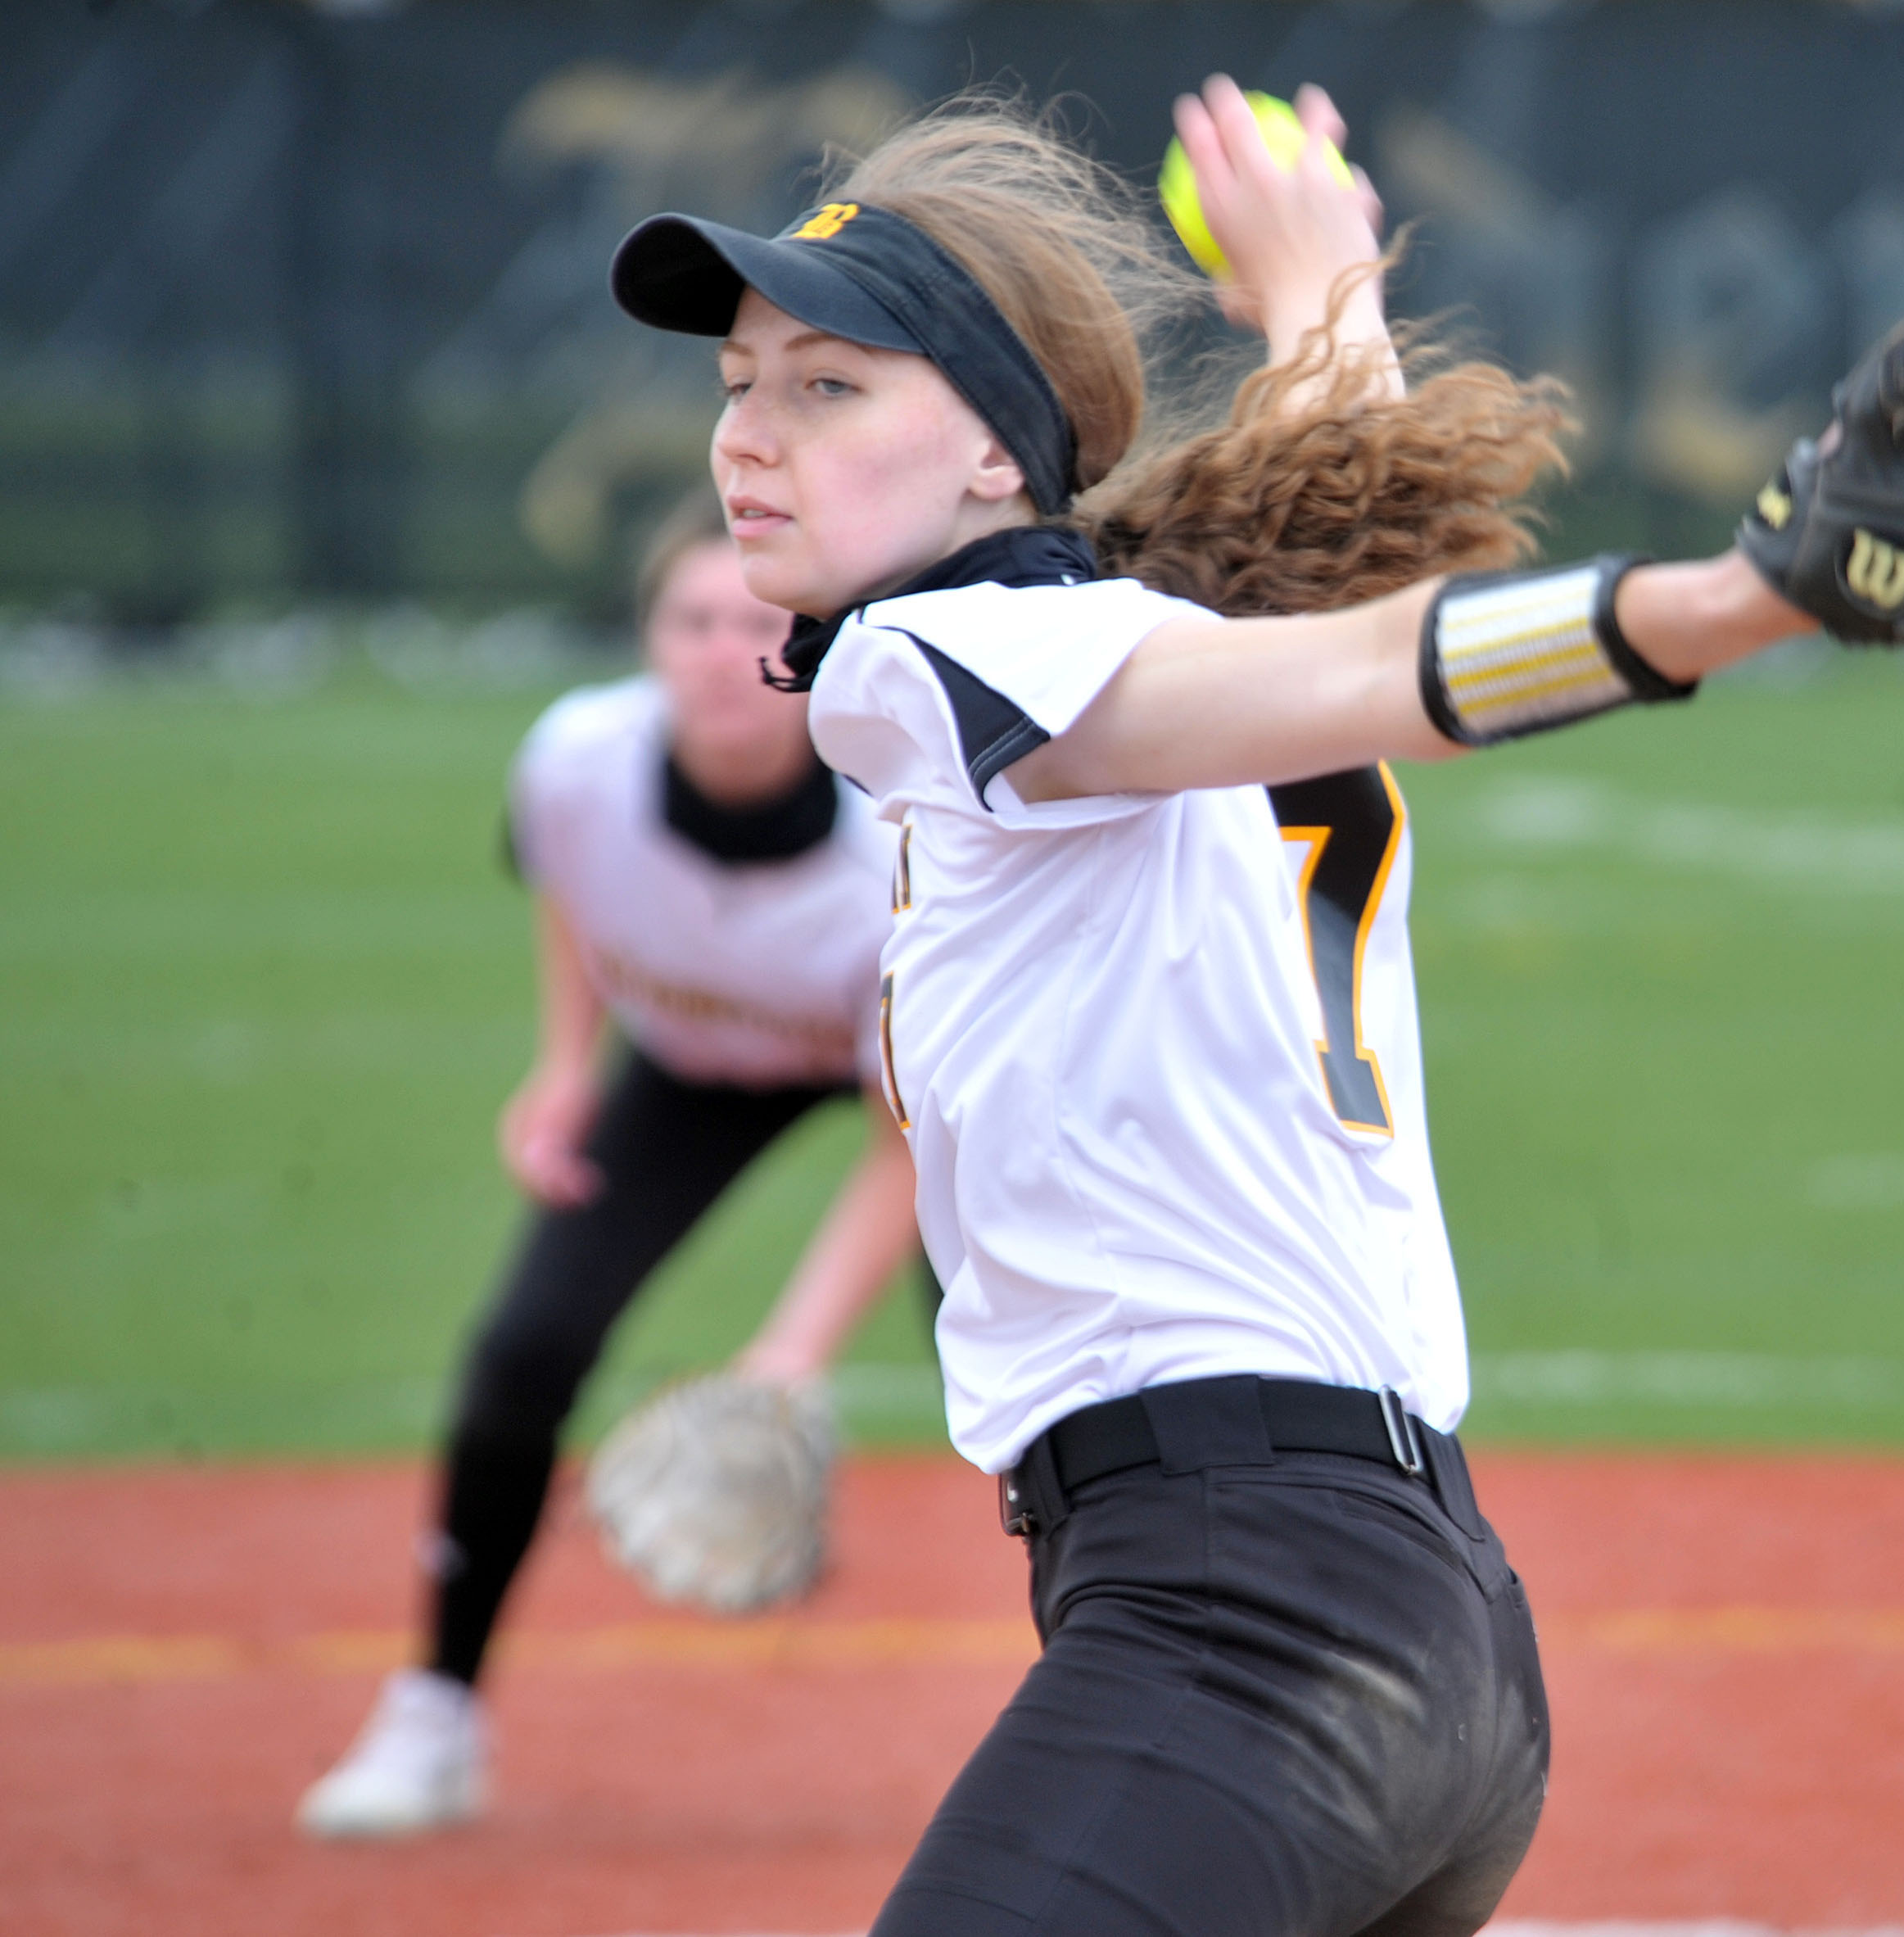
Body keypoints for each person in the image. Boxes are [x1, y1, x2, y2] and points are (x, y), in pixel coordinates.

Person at [604, 78, 1817, 1937]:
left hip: (1243, 1629)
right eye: (738, 385)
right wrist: (1322, 287)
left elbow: (1381, 662)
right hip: (1436, 1636)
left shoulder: (942, 655)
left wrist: (1730, 599)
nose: (751, 435)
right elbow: (1349, 577)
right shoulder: (1161, 631)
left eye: (828, 387)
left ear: (999, 458)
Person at [296, 493, 924, 1841]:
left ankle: (1118, 1709)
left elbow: (911, 1137)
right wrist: (566, 1064)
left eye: (761, 624)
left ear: (818, 651)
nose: (720, 650)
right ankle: (437, 1712)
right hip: (691, 1062)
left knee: (1032, 1382)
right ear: (646, 640)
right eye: (690, 620)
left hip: (910, 1090)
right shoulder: (576, 759)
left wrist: (790, 1353)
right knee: (525, 1349)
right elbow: (578, 888)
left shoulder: (899, 841)